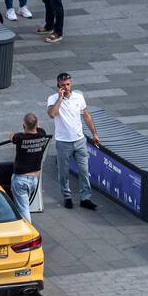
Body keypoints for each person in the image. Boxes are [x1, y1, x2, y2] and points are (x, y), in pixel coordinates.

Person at [47, 72, 99, 210]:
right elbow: (52, 114)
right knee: (63, 172)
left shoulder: (79, 97)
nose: (66, 87)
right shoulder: (52, 99)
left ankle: (85, 198)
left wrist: (94, 133)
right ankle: (67, 197)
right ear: (58, 85)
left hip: (80, 140)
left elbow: (86, 115)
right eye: (63, 85)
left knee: (84, 171)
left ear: (72, 83)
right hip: (63, 142)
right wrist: (60, 98)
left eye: (68, 84)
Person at [10, 113, 49, 223]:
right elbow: (40, 128)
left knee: (23, 209)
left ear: (23, 126)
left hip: (21, 179)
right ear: (36, 125)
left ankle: (29, 233)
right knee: (25, 206)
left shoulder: (19, 138)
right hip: (34, 179)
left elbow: (12, 137)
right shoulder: (42, 134)